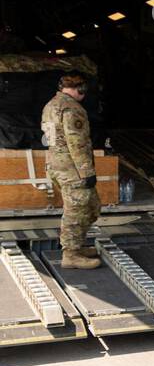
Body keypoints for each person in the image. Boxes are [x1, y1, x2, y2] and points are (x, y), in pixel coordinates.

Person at [40, 73, 102, 269]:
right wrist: (87, 172)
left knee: (91, 205)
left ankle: (77, 245)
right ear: (80, 89)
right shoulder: (71, 108)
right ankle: (71, 254)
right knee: (76, 210)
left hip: (57, 165)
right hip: (71, 168)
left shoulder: (51, 105)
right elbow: (77, 143)